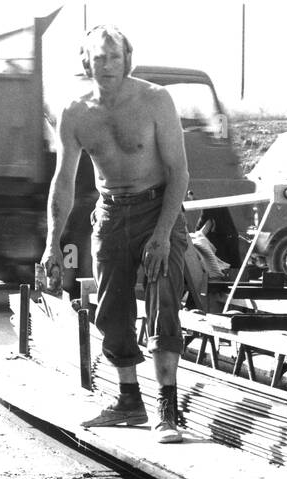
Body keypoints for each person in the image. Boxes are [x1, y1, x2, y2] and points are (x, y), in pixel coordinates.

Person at [42, 25, 190, 441]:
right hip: (110, 215)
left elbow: (179, 172)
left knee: (163, 301)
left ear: (128, 59)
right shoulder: (74, 111)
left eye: (113, 56)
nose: (106, 64)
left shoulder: (155, 101)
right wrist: (51, 244)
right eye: (98, 57)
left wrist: (162, 235)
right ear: (85, 62)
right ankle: (129, 401)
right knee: (111, 311)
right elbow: (64, 181)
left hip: (157, 208)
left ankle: (168, 410)